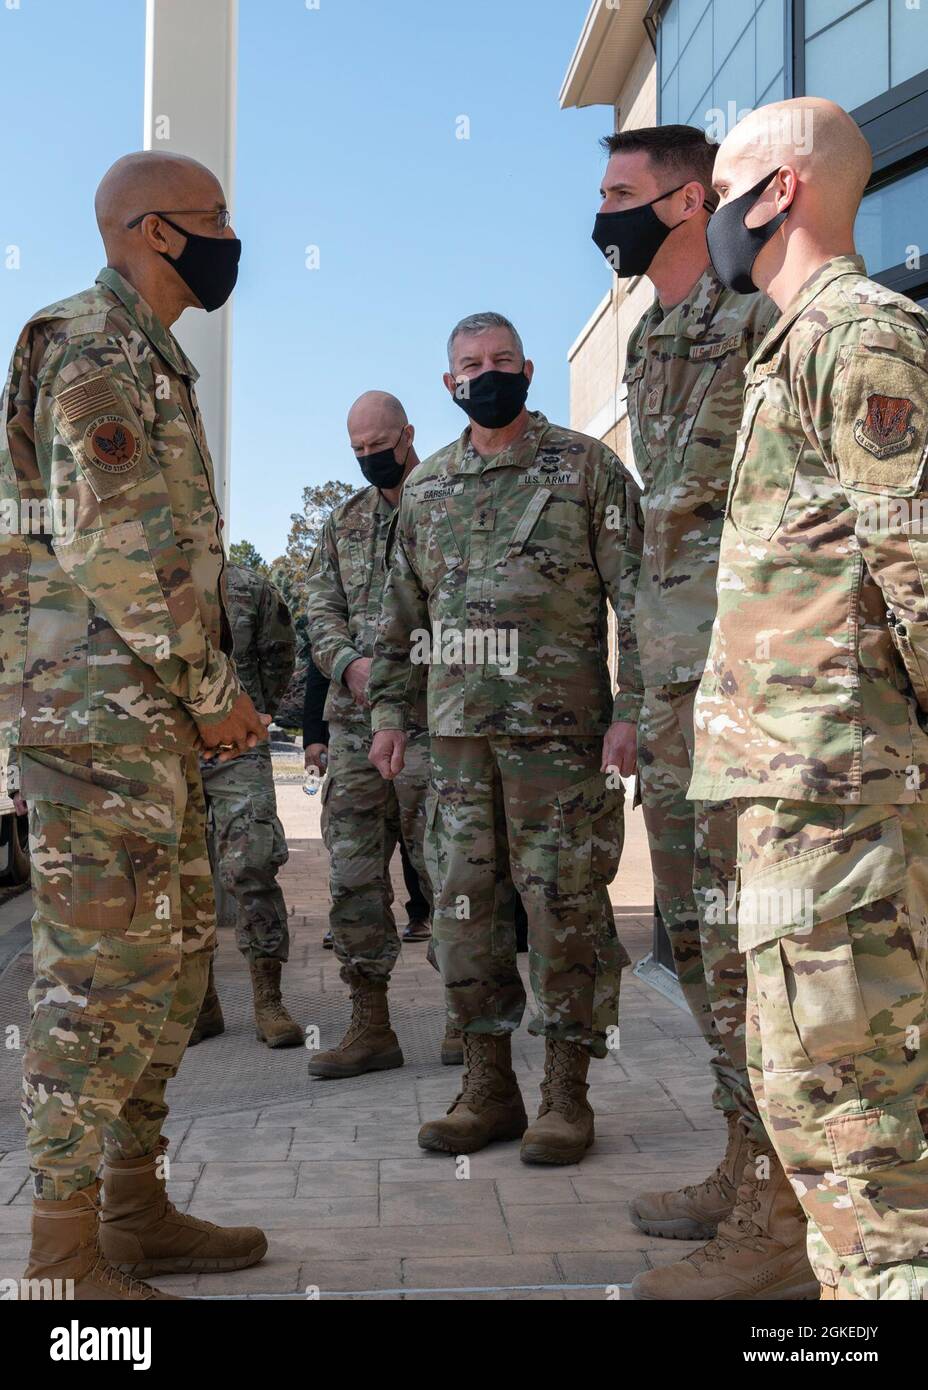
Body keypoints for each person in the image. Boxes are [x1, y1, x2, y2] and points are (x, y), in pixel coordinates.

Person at [0, 151, 269, 1299]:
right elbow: (121, 547)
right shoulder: (91, 345)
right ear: (155, 233)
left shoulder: (153, 362)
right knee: (100, 976)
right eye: (214, 220)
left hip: (139, 725)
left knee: (165, 962)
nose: (229, 238)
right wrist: (216, 697)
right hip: (95, 723)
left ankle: (132, 1209)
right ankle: (61, 1261)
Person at [688, 96, 928, 1301]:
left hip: (841, 798)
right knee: (813, 1104)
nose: (708, 212)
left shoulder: (859, 335)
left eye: (722, 183)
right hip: (798, 793)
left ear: (777, 190)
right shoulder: (791, 345)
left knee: (859, 1143)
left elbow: (918, 561)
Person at [592, 125, 813, 1300]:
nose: (603, 218)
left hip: (751, 695)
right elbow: (656, 548)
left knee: (752, 955)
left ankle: (783, 1224)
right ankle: (744, 1167)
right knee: (699, 951)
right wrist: (634, 700)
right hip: (676, 700)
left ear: (688, 203)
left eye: (621, 197)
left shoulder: (759, 322)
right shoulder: (650, 340)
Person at [368, 311, 637, 1164]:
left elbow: (640, 597)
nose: (487, 374)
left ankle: (566, 1096)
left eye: (502, 360)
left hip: (559, 744)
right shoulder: (428, 488)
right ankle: (490, 1090)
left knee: (564, 912)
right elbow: (398, 618)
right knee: (462, 916)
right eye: (470, 364)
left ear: (527, 368)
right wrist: (387, 717)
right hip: (455, 750)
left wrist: (634, 710)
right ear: (449, 382)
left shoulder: (586, 468)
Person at [305, 390, 451, 1077]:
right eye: (357, 451)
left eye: (378, 447)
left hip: (432, 727)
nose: (369, 460)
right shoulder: (341, 526)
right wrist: (348, 663)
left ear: (408, 434)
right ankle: (371, 1028)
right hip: (356, 733)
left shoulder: (449, 502)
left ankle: (467, 1021)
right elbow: (319, 613)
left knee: (454, 876)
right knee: (353, 882)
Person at [192, 562, 303, 1049]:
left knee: (252, 863)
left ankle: (268, 1001)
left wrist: (259, 711)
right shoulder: (146, 580)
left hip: (238, 745)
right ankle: (200, 1004)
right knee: (180, 878)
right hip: (169, 749)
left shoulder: (249, 587)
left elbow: (279, 655)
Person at [302, 650, 431, 947]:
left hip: (423, 721)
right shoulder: (338, 621)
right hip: (352, 725)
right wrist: (313, 737)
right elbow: (319, 661)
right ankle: (355, 922)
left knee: (423, 840)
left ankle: (420, 914)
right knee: (355, 844)